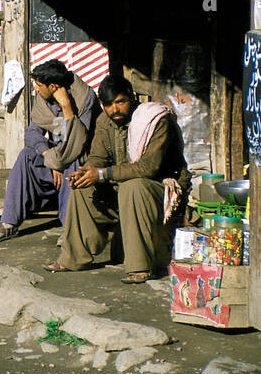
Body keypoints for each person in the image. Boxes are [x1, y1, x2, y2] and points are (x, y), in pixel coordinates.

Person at [46, 75, 188, 284]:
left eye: (120, 102)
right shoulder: (105, 120)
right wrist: (89, 171)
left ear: (131, 98)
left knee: (133, 186)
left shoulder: (156, 120)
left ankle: (139, 267)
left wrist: (103, 174)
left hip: (161, 189)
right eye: (109, 105)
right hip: (123, 190)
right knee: (82, 188)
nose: (115, 110)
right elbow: (98, 156)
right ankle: (73, 258)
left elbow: (148, 168)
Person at [0, 59, 97, 243]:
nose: (35, 89)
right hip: (56, 156)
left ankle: (68, 230)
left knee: (72, 162)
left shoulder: (84, 97)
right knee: (27, 155)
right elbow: (33, 133)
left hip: (81, 158)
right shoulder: (43, 98)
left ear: (53, 86)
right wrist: (50, 158)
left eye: (38, 85)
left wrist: (66, 106)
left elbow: (77, 142)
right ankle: (9, 224)